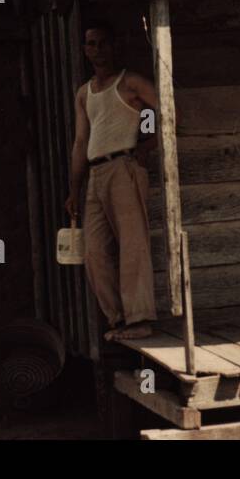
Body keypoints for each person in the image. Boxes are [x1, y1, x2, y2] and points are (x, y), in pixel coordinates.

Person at [65, 21, 159, 340]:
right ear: (85, 50)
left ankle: (140, 320)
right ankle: (117, 319)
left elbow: (170, 110)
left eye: (103, 43)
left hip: (124, 166)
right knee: (94, 252)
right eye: (91, 44)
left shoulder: (130, 82)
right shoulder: (84, 93)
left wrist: (146, 146)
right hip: (95, 172)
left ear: (114, 45)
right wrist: (73, 189)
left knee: (132, 244)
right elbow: (80, 143)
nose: (98, 50)